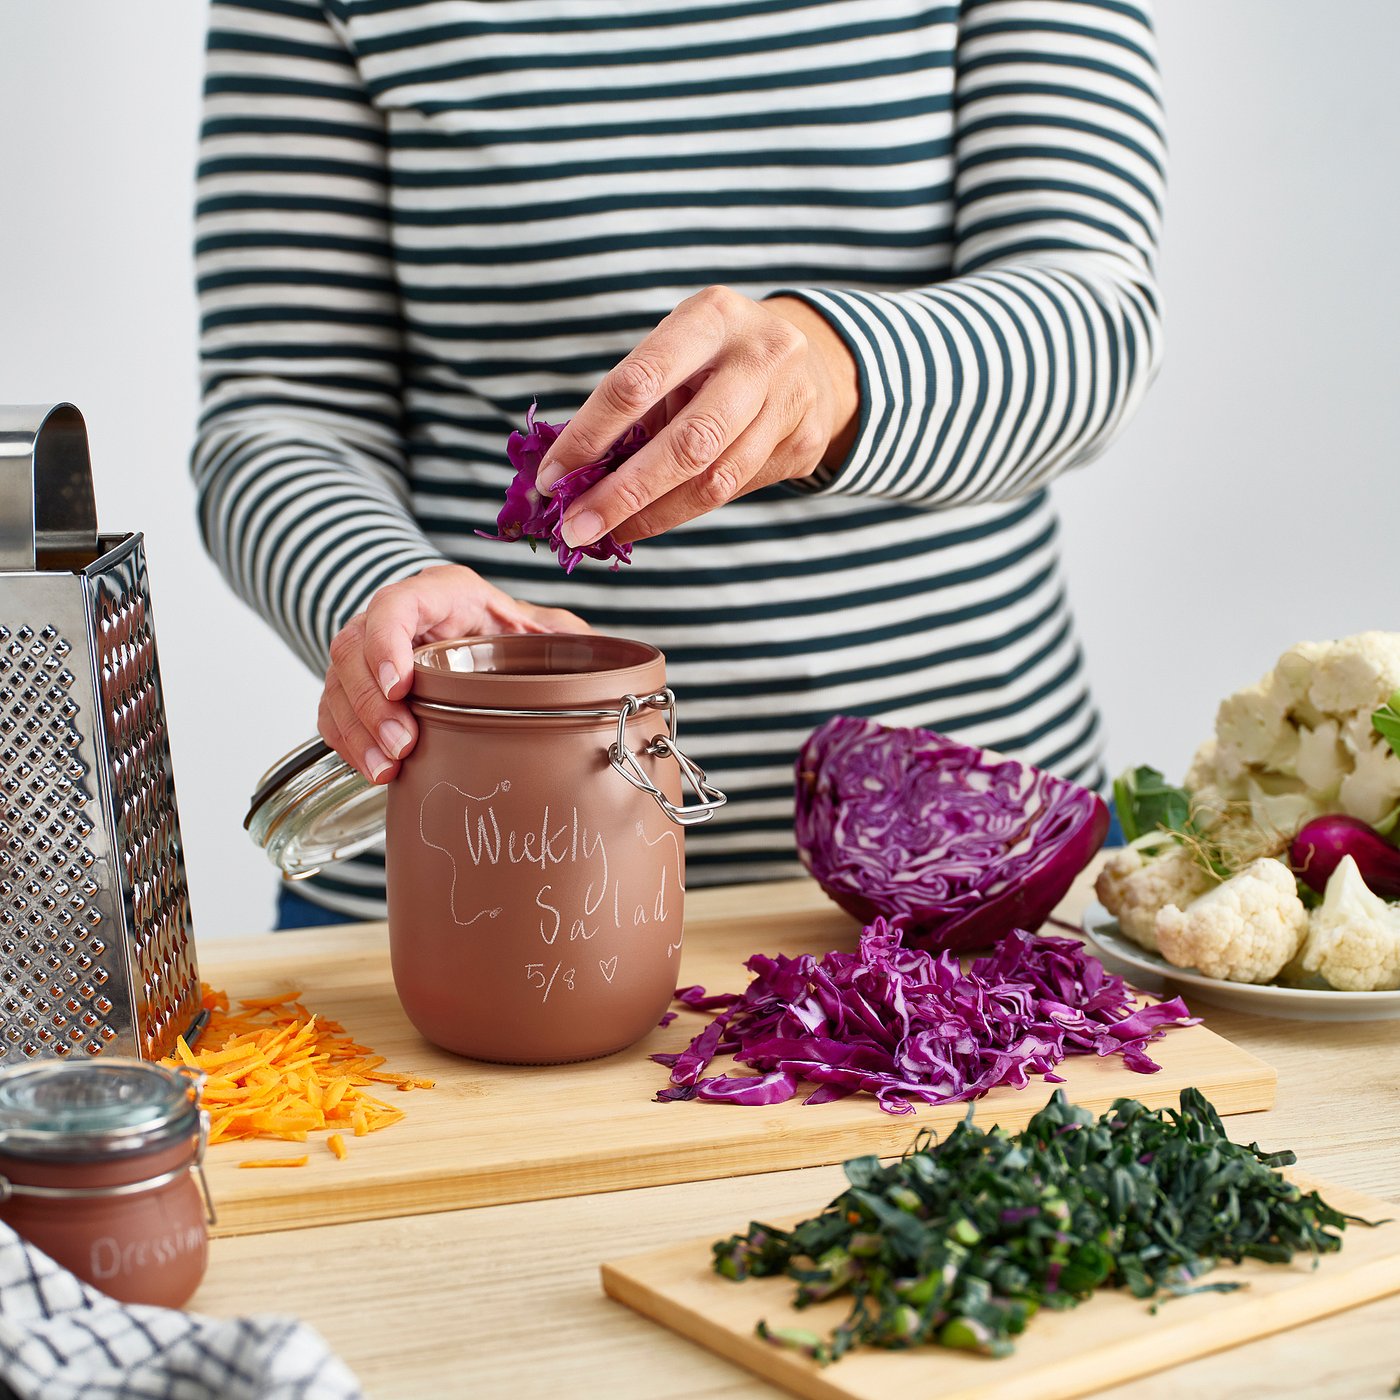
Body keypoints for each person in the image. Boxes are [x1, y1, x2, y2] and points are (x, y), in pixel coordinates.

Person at [193, 0, 1163, 924]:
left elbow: (1097, 321)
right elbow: (281, 412)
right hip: (471, 872)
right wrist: (389, 601)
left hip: (978, 871)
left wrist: (835, 371)